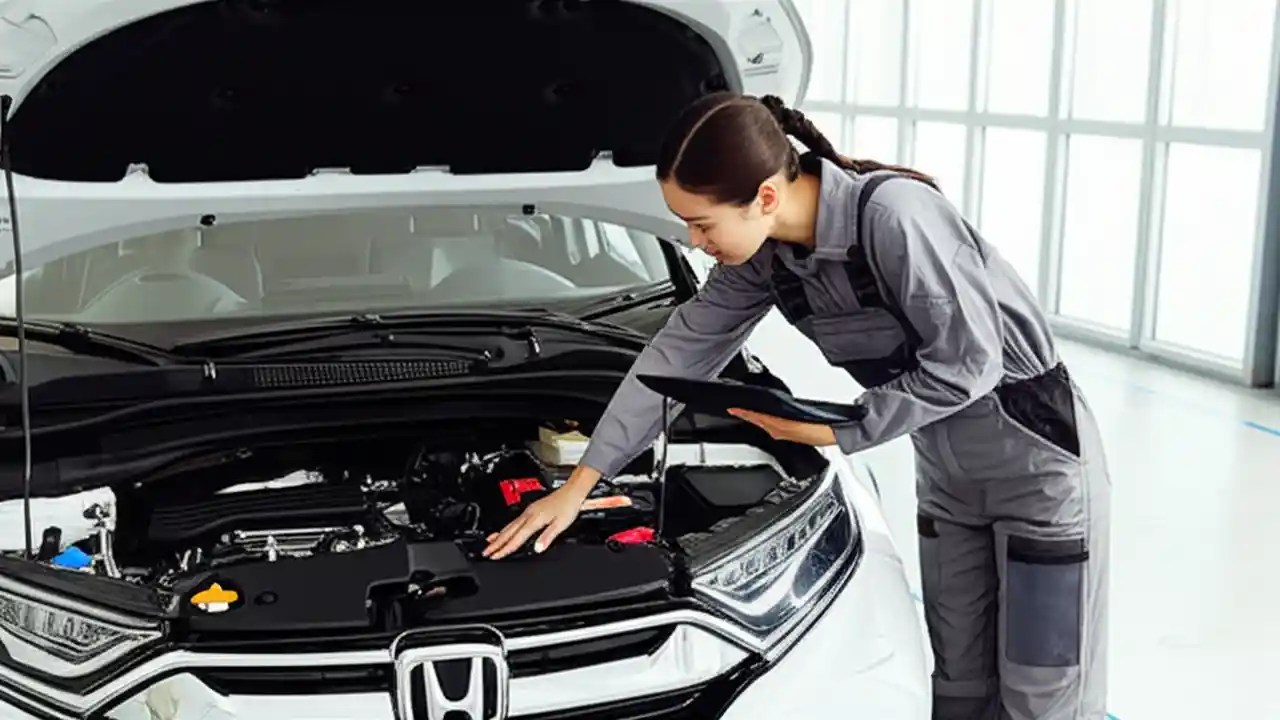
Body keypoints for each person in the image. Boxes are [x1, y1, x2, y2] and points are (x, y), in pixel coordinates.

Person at [483, 91, 1110, 720]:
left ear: (765, 197)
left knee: (1043, 687)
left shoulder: (895, 217)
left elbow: (970, 361)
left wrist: (840, 428)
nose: (697, 243)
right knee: (958, 681)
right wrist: (583, 482)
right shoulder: (765, 260)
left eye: (703, 224)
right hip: (945, 470)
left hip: (1036, 462)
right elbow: (677, 354)